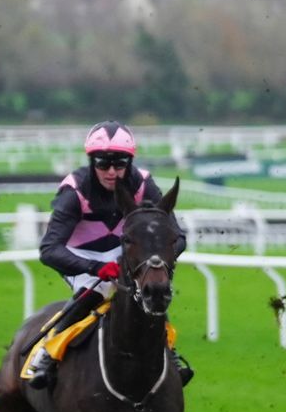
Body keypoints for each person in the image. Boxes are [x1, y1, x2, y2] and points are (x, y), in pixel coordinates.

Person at [22, 121, 193, 390]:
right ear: (92, 162)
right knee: (101, 289)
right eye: (103, 163)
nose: (112, 171)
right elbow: (49, 249)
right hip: (78, 254)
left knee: (148, 289)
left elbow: (178, 236)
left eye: (120, 163)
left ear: (130, 161)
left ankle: (168, 350)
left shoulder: (144, 184)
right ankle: (46, 354)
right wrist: (93, 266)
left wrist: (156, 259)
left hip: (123, 249)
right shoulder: (75, 190)